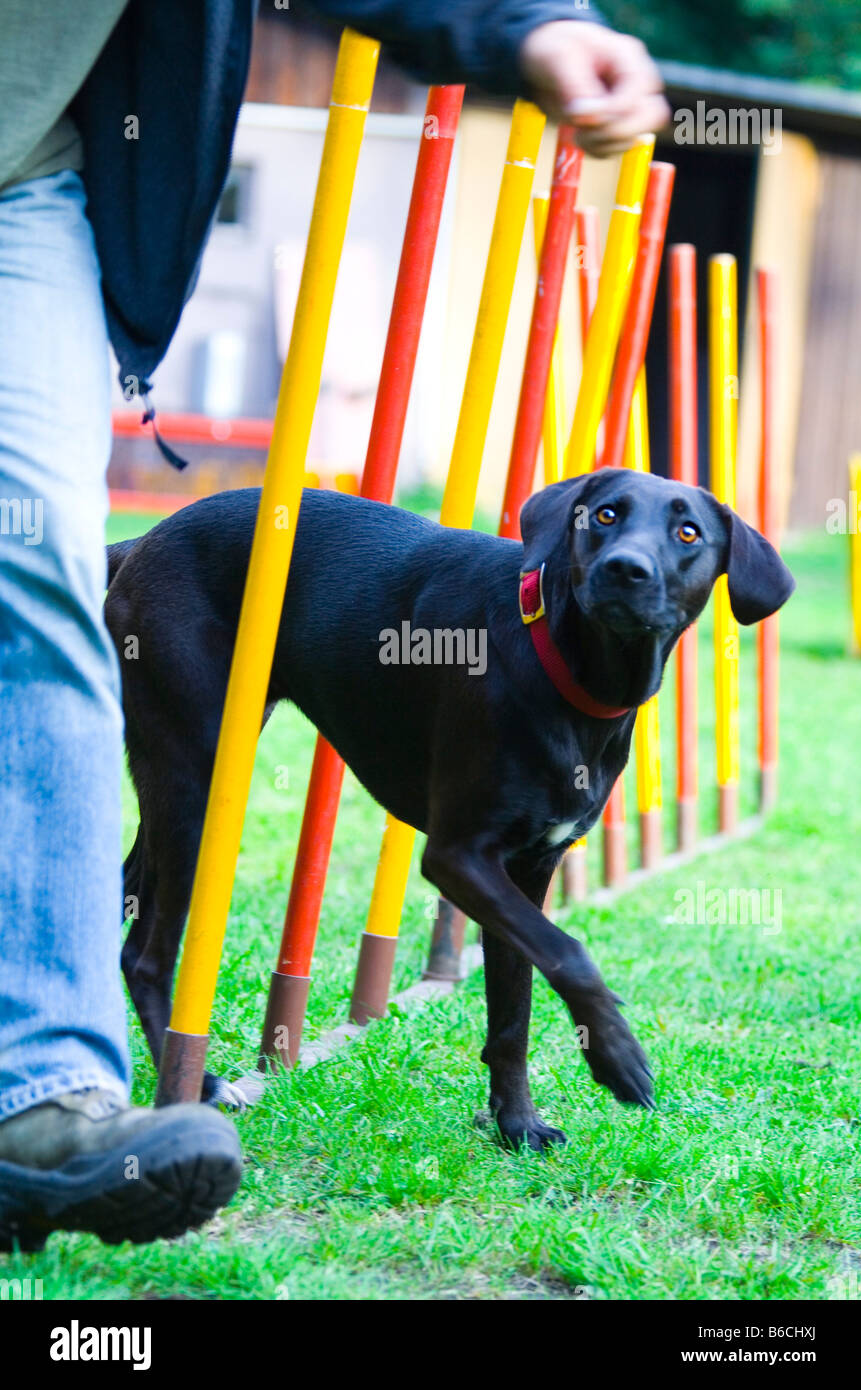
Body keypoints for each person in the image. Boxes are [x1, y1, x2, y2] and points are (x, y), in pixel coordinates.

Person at [0, 0, 668, 1250]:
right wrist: (582, 980)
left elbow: (497, 860)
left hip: (31, 182)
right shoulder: (502, 628)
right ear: (565, 537)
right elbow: (458, 855)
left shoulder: (595, 688)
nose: (632, 559)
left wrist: (524, 26)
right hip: (213, 577)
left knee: (36, 586)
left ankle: (46, 1098)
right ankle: (153, 1000)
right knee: (187, 817)